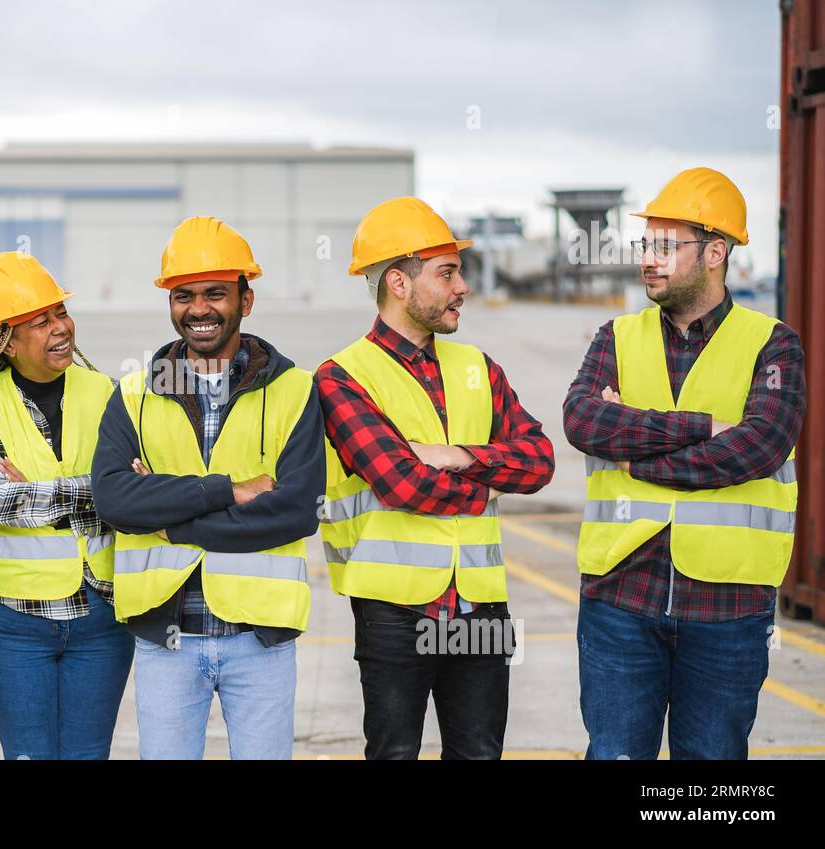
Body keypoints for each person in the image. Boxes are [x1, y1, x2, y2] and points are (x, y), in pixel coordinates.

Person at [564, 167, 803, 760]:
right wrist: (699, 428)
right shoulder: (614, 336)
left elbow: (759, 446)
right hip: (620, 597)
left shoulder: (772, 343)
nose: (650, 258)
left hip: (727, 605)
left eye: (667, 246)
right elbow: (583, 422)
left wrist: (638, 461)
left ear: (716, 252)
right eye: (647, 244)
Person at [316, 197, 555, 759]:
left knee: (479, 754)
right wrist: (492, 474)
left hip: (481, 604)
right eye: (447, 273)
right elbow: (403, 486)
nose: (462, 286)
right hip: (392, 612)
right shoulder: (342, 377)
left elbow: (541, 462)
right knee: (394, 753)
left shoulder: (478, 367)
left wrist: (458, 455)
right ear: (398, 282)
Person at [92, 216, 326, 760]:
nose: (198, 309)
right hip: (166, 637)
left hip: (260, 638)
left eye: (215, 294)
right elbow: (115, 500)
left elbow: (295, 511)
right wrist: (229, 489)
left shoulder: (294, 390)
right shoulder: (134, 393)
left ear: (246, 301)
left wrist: (167, 519)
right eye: (183, 295)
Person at [0, 251, 132, 759]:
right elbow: (1, 500)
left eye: (60, 313)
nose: (60, 328)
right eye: (41, 321)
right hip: (13, 623)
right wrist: (102, 486)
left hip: (100, 612)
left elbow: (137, 491)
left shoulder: (106, 392)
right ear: (6, 341)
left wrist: (40, 488)